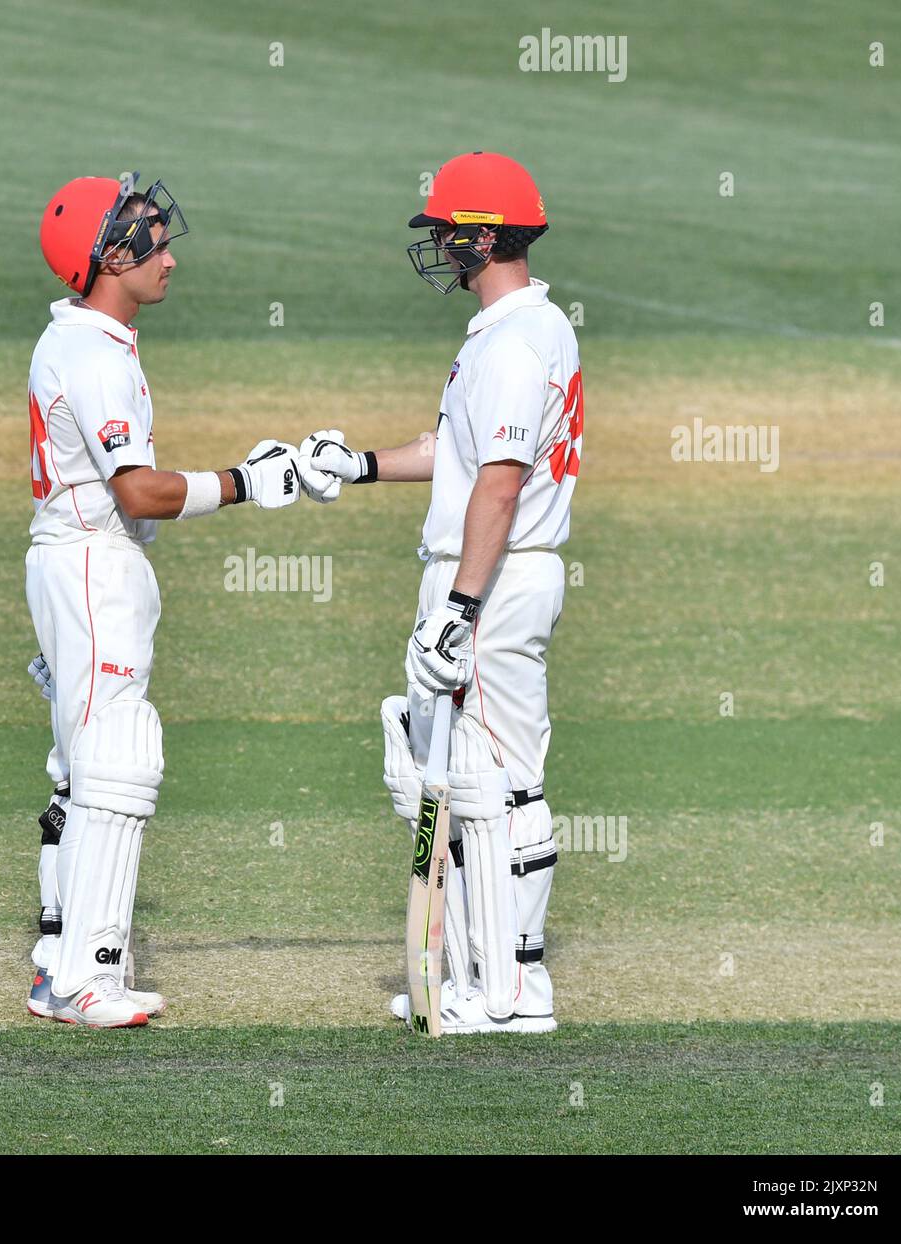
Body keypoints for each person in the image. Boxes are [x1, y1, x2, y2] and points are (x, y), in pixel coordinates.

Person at [297, 151, 582, 1033]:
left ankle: (512, 990)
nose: (440, 247)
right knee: (464, 779)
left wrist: (459, 608)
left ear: (487, 235)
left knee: (500, 783)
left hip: (493, 579)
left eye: (450, 233)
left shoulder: (518, 339)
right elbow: (456, 454)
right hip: (485, 572)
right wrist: (362, 466)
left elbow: (499, 481)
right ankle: (474, 975)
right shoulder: (509, 335)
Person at [25, 172, 300, 1027]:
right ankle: (87, 978)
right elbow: (140, 493)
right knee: (118, 758)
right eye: (151, 236)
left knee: (83, 765)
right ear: (110, 254)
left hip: (80, 563)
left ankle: (57, 957)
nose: (169, 254)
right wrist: (246, 483)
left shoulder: (84, 340)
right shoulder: (94, 353)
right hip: (94, 563)